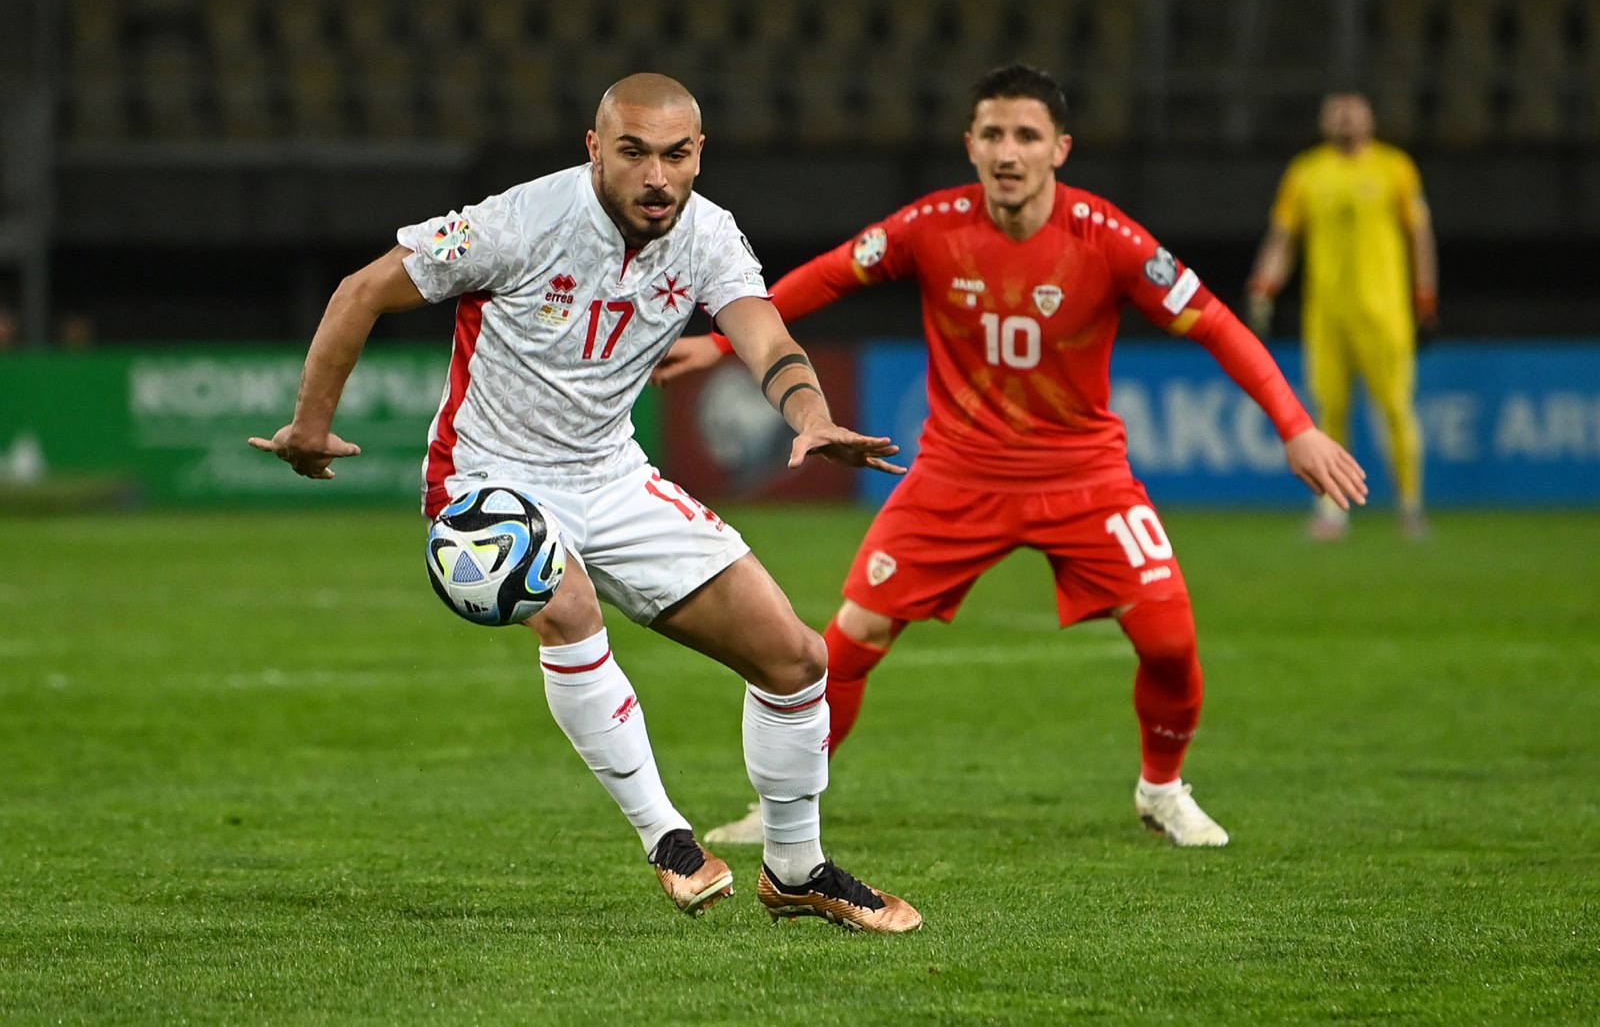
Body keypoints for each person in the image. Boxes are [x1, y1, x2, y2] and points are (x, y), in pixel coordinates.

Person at [249, 73, 922, 933]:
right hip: (489, 477)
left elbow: (764, 335)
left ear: (699, 155)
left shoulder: (709, 234)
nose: (656, 176)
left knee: (795, 659)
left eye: (676, 155)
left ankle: (796, 869)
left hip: (612, 475)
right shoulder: (518, 222)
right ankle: (667, 838)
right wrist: (310, 425)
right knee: (567, 609)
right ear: (594, 148)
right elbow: (361, 290)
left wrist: (812, 415)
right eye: (634, 152)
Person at [656, 64, 1368, 848]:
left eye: (1026, 135)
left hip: (1086, 478)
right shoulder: (930, 226)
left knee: (1170, 645)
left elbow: (1218, 326)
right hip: (956, 477)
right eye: (993, 134)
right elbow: (827, 277)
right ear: (970, 145)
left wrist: (1295, 425)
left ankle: (1163, 790)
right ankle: (780, 811)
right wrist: (724, 339)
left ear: (1059, 148)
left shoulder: (1110, 239)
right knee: (847, 642)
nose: (1008, 151)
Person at [1246, 91, 1438, 541]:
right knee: (1328, 413)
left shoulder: (1395, 168)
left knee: (1394, 408)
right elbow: (1284, 237)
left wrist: (1425, 298)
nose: (1346, 121)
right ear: (1324, 122)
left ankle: (1410, 507)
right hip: (1327, 316)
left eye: (1353, 113)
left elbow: (1419, 236)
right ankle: (1331, 513)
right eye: (1337, 114)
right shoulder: (1307, 173)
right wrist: (1263, 285)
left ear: (1369, 119)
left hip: (1384, 313)